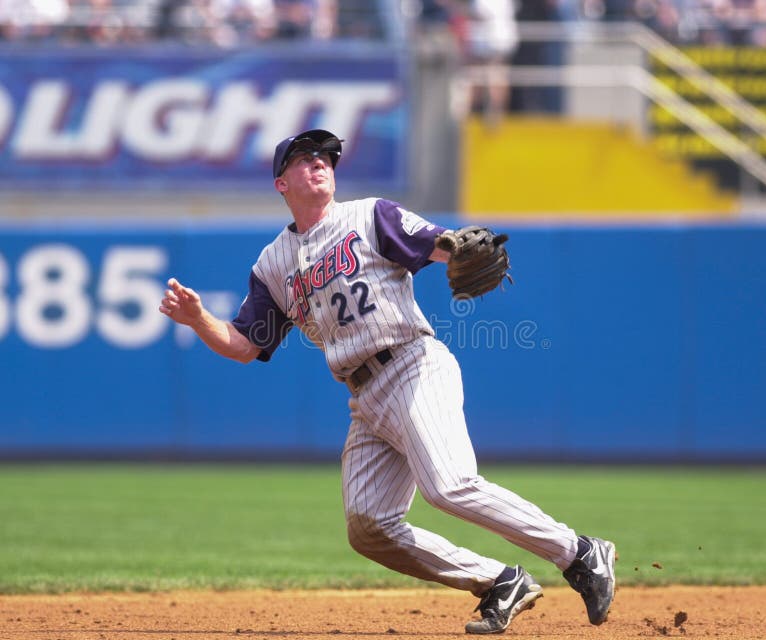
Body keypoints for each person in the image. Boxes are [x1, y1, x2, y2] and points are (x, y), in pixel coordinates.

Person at [158, 128, 616, 635]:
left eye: (325, 156)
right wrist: (198, 318)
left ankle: (579, 553)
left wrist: (453, 247)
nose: (319, 162)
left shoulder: (369, 216)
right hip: (365, 397)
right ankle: (500, 581)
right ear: (281, 183)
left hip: (413, 366)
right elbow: (245, 345)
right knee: (368, 526)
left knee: (449, 486)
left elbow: (440, 243)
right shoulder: (273, 265)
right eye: (304, 157)